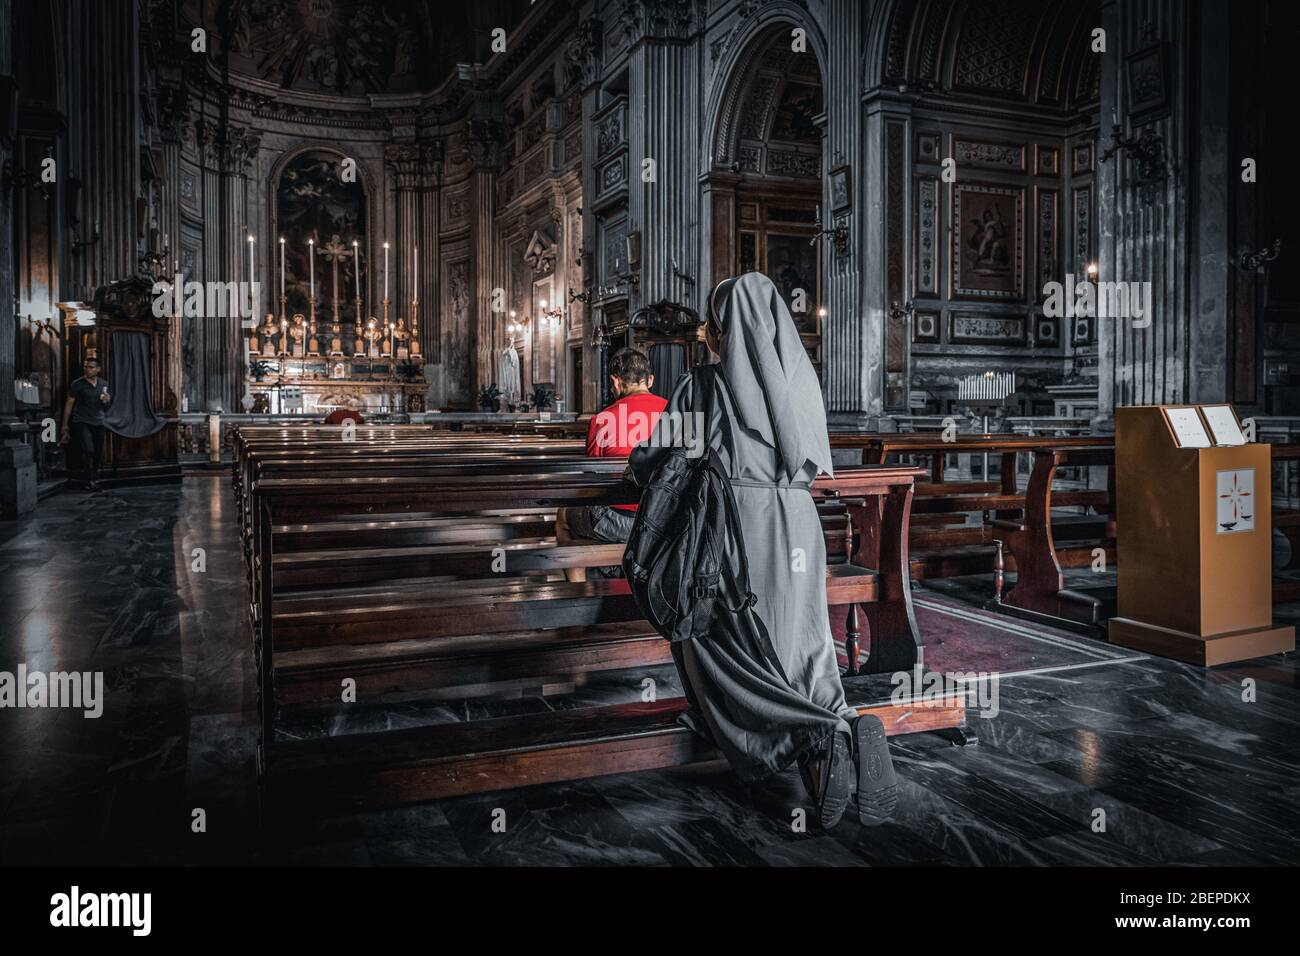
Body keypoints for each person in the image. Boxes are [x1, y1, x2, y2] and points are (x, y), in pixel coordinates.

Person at [628, 273, 898, 829]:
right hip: (800, 522)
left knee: (721, 646)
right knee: (806, 644)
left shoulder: (705, 384)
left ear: (722, 330)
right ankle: (842, 718)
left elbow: (651, 461)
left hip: (736, 529)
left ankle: (813, 732)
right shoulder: (801, 381)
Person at [556, 347, 667, 581]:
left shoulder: (602, 419)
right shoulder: (673, 414)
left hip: (619, 521)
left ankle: (577, 594)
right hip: (664, 517)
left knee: (564, 517)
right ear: (650, 380)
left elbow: (593, 476)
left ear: (615, 381)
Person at [60, 356, 113, 492]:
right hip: (82, 421)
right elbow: (69, 404)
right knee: (88, 450)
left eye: (91, 367)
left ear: (98, 369)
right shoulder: (77, 384)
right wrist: (64, 425)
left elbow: (107, 406)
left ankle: (93, 479)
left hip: (99, 422)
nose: (87, 370)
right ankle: (89, 481)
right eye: (85, 367)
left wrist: (107, 401)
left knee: (98, 452)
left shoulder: (104, 384)